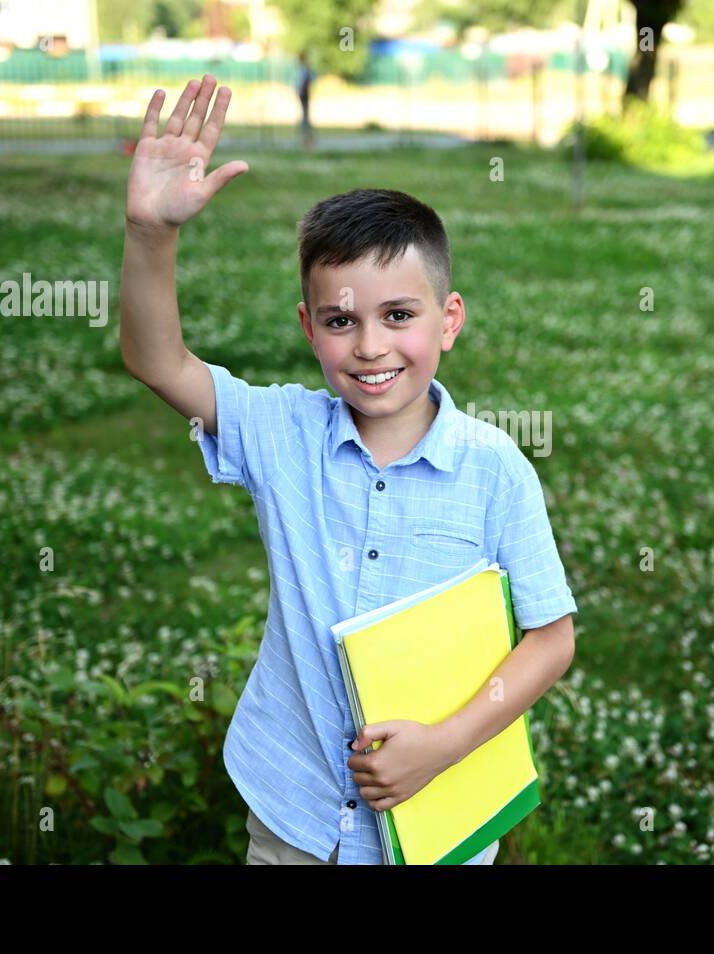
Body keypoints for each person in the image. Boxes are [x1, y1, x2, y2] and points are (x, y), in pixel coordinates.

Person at [119, 75, 578, 865]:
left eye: (399, 316)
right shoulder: (283, 432)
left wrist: (442, 746)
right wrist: (149, 233)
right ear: (309, 326)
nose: (369, 346)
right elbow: (155, 360)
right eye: (341, 320)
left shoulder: (496, 470)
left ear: (450, 319)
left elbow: (551, 639)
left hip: (437, 828)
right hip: (291, 812)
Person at [296, 51, 314, 149]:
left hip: (304, 95)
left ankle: (308, 140)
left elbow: (304, 82)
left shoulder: (305, 70)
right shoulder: (304, 69)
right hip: (304, 95)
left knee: (305, 118)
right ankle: (306, 139)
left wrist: (301, 92)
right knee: (305, 117)